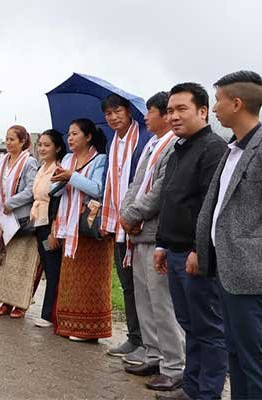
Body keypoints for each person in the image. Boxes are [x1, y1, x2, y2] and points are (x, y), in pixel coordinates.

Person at [195, 71, 262, 399]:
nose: (214, 107)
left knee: (259, 362)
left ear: (237, 103)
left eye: (218, 100)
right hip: (227, 271)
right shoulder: (232, 150)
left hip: (254, 277)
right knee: (236, 356)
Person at [153, 83, 227, 400]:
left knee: (208, 329)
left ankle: (207, 393)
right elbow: (170, 200)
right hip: (174, 252)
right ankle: (192, 388)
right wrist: (161, 244)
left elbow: (212, 206)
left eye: (181, 109)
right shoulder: (178, 149)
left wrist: (200, 249)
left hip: (196, 257)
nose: (173, 116)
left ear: (203, 111)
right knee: (190, 325)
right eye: (170, 110)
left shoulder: (213, 149)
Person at [119, 92, 184, 390]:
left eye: (151, 111)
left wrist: (133, 214)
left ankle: (174, 365)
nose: (145, 117)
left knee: (161, 303)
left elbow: (160, 189)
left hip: (155, 232)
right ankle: (154, 354)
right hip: (137, 233)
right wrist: (126, 213)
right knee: (144, 299)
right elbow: (136, 183)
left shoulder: (173, 146)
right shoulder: (151, 145)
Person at [50, 118, 112, 341]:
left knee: (92, 280)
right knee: (71, 279)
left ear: (88, 136)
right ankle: (69, 325)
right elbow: (55, 191)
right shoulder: (68, 159)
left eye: (75, 133)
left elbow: (97, 189)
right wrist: (59, 179)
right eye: (68, 134)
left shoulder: (100, 159)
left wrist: (71, 176)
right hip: (70, 226)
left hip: (88, 226)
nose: (70, 138)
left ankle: (90, 330)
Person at [99, 93, 151, 362]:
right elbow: (110, 181)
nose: (113, 117)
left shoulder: (144, 138)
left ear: (129, 111)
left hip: (139, 223)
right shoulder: (113, 142)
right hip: (117, 223)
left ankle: (150, 345)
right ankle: (134, 337)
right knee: (128, 285)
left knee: (145, 287)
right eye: (108, 114)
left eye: (117, 111)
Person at [0, 125, 39, 318]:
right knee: (3, 262)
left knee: (20, 264)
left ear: (23, 141)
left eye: (12, 139)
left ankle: (20, 304)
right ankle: (5, 302)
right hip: (2, 219)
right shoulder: (1, 161)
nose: (8, 143)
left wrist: (11, 203)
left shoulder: (29, 162)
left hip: (20, 220)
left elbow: (31, 189)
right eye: (6, 139)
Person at [29, 129, 66, 328]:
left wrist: (54, 230)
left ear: (57, 148)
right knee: (46, 266)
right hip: (39, 221)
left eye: (47, 145)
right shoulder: (41, 168)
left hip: (50, 224)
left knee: (52, 270)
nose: (42, 149)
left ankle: (49, 315)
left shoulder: (58, 170)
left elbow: (58, 203)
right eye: (40, 145)